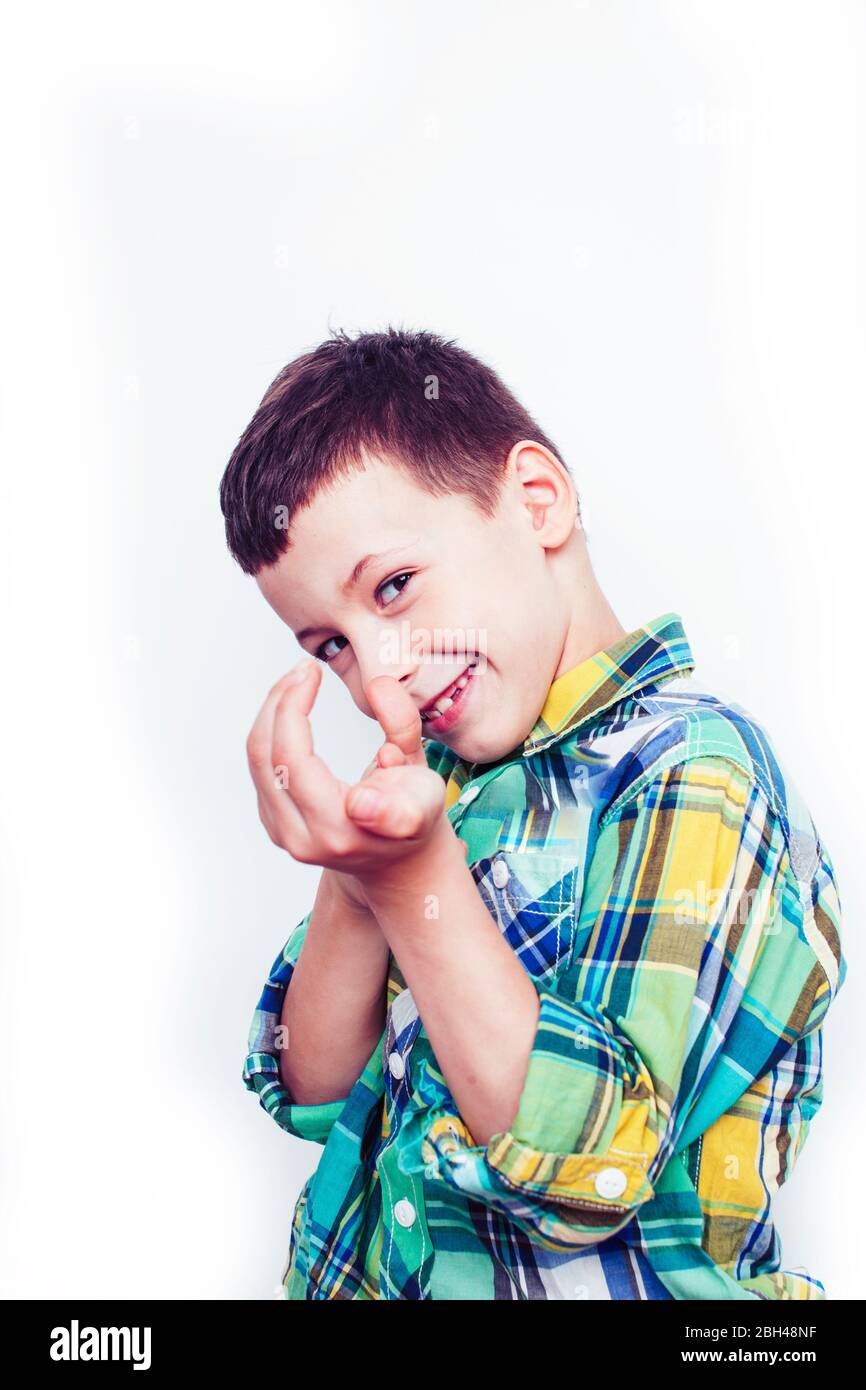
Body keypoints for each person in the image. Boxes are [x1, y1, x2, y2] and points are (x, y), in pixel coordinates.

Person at [219, 328, 845, 1300]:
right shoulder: (441, 790)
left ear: (536, 502)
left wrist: (414, 881)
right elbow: (317, 1092)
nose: (375, 669)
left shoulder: (692, 776)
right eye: (330, 645)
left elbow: (587, 1172)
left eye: (392, 586)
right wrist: (354, 876)